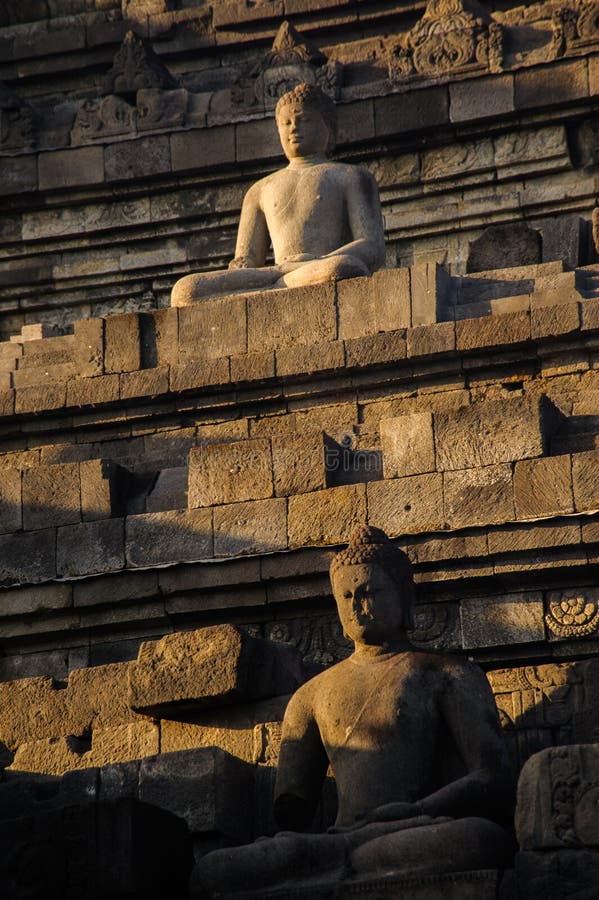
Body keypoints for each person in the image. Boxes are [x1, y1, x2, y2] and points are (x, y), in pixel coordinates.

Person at [195, 525, 514, 896]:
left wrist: (417, 810)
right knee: (213, 871)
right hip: (337, 842)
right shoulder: (311, 695)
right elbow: (291, 808)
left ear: (403, 598)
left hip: (414, 831)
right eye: (345, 596)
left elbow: (494, 776)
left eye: (368, 593)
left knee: (477, 840)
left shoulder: (445, 673)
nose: (355, 607)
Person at [171, 84, 385, 306]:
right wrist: (243, 269)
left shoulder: (350, 176)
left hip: (318, 266)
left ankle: (273, 290)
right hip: (277, 272)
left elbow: (372, 247)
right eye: (286, 123)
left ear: (327, 127)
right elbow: (247, 260)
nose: (294, 128)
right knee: (186, 290)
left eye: (304, 120)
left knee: (343, 268)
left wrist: (319, 260)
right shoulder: (260, 190)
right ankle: (278, 286)